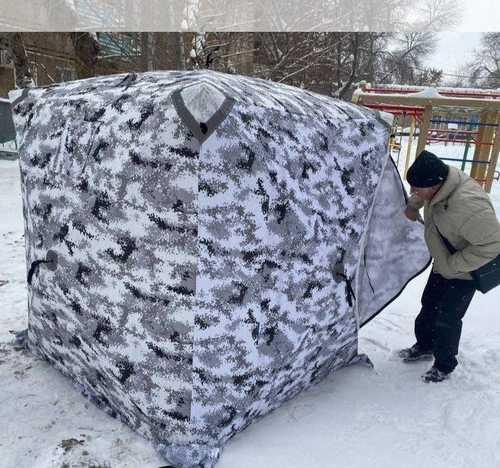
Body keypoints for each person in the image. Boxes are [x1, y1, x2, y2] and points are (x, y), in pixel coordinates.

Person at [400, 150, 500, 383]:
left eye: (417, 188)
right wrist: (414, 205)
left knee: (448, 317)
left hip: (465, 269)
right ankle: (424, 345)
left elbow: (494, 244)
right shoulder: (439, 184)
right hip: (444, 261)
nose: (414, 192)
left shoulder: (469, 206)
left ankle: (444, 364)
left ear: (435, 185)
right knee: (429, 305)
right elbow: (423, 194)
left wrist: (452, 265)